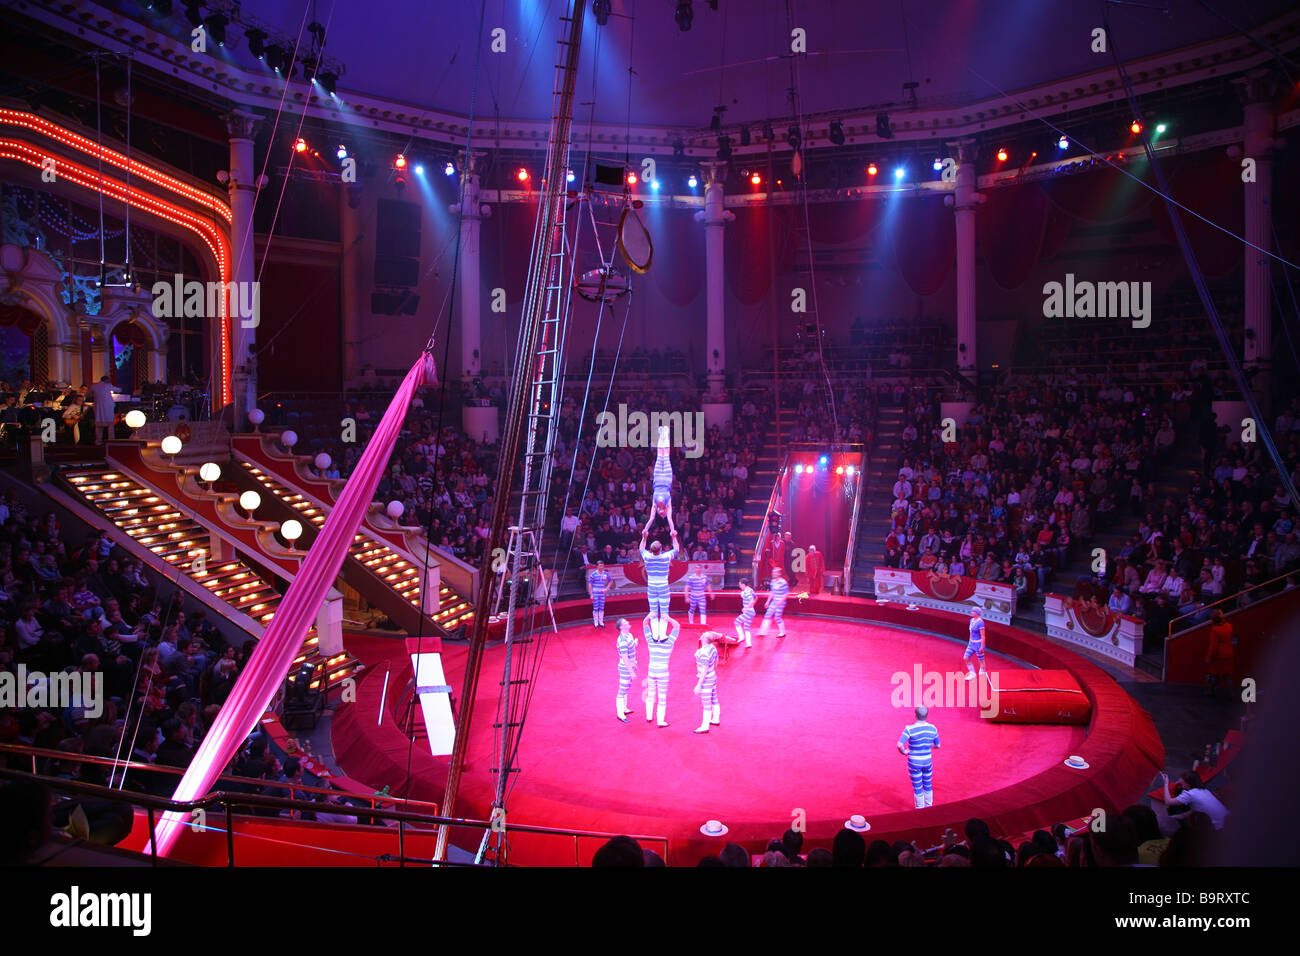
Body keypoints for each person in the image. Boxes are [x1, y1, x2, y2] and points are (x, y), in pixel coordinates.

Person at [639, 513, 679, 638]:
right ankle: (662, 635)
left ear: (651, 550)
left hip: (651, 587)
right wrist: (674, 537)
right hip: (663, 587)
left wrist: (644, 538)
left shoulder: (647, 557)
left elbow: (641, 548)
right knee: (664, 612)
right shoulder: (666, 557)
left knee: (653, 612)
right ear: (661, 549)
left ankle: (655, 635)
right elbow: (677, 549)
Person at [897, 705, 940, 809]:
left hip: (914, 762)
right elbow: (938, 745)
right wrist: (929, 746)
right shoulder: (933, 728)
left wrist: (904, 752)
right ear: (927, 715)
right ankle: (929, 807)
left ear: (915, 715)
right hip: (927, 761)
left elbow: (899, 744)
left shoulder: (909, 729)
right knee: (928, 785)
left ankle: (920, 809)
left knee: (918, 787)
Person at [1159, 770, 1229, 830]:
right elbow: (1189, 812)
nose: (1179, 780)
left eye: (1181, 778)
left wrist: (1166, 783)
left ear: (1187, 782)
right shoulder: (1204, 791)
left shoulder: (1190, 794)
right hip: (1229, 822)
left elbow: (1168, 801)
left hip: (1218, 828)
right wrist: (1171, 817)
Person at [643, 613, 679, 727]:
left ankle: (649, 716)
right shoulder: (669, 642)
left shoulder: (650, 640)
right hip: (663, 673)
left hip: (651, 671)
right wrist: (668, 619)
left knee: (651, 695)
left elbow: (644, 624)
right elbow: (677, 626)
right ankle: (660, 721)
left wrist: (648, 616)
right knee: (662, 697)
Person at [692, 631, 723, 734]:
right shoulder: (713, 648)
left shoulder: (703, 653)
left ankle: (705, 726)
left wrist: (699, 685)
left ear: (705, 639)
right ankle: (716, 718)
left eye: (703, 634)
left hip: (706, 680)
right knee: (714, 698)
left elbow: (704, 670)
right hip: (712, 677)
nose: (701, 634)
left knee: (706, 704)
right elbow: (716, 662)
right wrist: (712, 672)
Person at [1204, 608, 1234, 698]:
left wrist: (1209, 657)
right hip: (1228, 653)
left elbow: (1213, 646)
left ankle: (1211, 691)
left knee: (1214, 674)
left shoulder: (1215, 630)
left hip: (1218, 655)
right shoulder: (1229, 626)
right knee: (1227, 675)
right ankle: (1230, 694)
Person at [614, 617, 637, 723]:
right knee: (622, 690)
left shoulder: (629, 635)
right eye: (625, 622)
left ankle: (624, 708)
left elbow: (630, 649)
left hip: (631, 665)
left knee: (627, 688)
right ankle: (620, 713)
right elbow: (625, 657)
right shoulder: (622, 641)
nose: (628, 622)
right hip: (625, 668)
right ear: (621, 627)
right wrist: (631, 671)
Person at [758, 566, 790, 638]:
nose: (773, 574)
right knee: (767, 615)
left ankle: (783, 632)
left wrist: (780, 602)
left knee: (777, 617)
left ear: (779, 574)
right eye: (773, 572)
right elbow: (772, 592)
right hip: (774, 601)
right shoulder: (772, 582)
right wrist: (768, 602)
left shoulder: (783, 582)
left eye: (775, 572)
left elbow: (786, 594)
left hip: (780, 602)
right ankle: (763, 631)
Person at [88, 375, 116, 445]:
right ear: (107, 380)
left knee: (98, 426)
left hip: (98, 408)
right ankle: (111, 441)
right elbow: (118, 390)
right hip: (108, 408)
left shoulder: (94, 386)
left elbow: (88, 394)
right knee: (110, 425)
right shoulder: (108, 386)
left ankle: (98, 441)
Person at [963, 607, 986, 682]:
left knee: (981, 661)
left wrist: (982, 647)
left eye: (973, 611)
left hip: (978, 644)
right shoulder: (971, 620)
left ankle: (983, 673)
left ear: (977, 613)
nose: (972, 612)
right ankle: (972, 673)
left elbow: (983, 636)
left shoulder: (980, 622)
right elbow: (971, 632)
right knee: (966, 657)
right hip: (971, 643)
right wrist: (969, 641)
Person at [587, 560, 611, 628]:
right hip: (595, 593)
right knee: (595, 607)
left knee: (601, 607)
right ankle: (596, 622)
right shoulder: (593, 574)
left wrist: (607, 589)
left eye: (602, 566)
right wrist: (591, 594)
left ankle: (601, 621)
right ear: (597, 566)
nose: (601, 567)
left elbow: (611, 581)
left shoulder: (606, 574)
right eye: (600, 566)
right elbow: (590, 585)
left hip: (602, 593)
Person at [734, 577, 756, 648]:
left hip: (749, 612)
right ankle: (749, 643)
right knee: (747, 627)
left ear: (743, 584)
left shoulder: (747, 592)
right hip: (751, 611)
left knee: (737, 622)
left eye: (740, 585)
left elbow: (752, 601)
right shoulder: (750, 589)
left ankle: (741, 637)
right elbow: (755, 598)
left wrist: (746, 608)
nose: (739, 586)